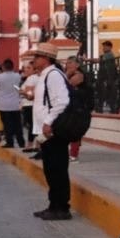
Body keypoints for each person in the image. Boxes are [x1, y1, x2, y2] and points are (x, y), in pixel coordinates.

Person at [31, 43, 71, 220]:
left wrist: (48, 123)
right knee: (51, 169)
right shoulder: (46, 75)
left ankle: (61, 207)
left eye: (37, 57)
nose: (34, 60)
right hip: (47, 131)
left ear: (46, 59)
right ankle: (54, 204)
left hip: (53, 131)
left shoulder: (53, 75)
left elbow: (62, 101)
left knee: (57, 169)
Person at [0, 59, 24, 148]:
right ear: (12, 66)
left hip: (3, 105)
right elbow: (18, 85)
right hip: (15, 105)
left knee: (7, 125)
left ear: (3, 67)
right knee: (18, 125)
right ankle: (21, 142)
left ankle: (10, 142)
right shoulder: (17, 76)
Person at [65, 56, 89, 163]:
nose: (68, 65)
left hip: (78, 107)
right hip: (71, 106)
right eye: (67, 63)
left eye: (70, 63)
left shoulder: (79, 75)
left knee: (74, 131)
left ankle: (74, 155)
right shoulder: (70, 74)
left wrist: (67, 75)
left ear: (77, 65)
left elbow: (67, 85)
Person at [19, 60, 39, 149]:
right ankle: (35, 144)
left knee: (32, 125)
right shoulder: (33, 78)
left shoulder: (32, 78)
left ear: (34, 70)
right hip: (29, 104)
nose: (26, 70)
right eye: (25, 68)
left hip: (29, 104)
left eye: (29, 68)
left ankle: (30, 144)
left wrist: (22, 92)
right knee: (32, 125)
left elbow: (29, 94)